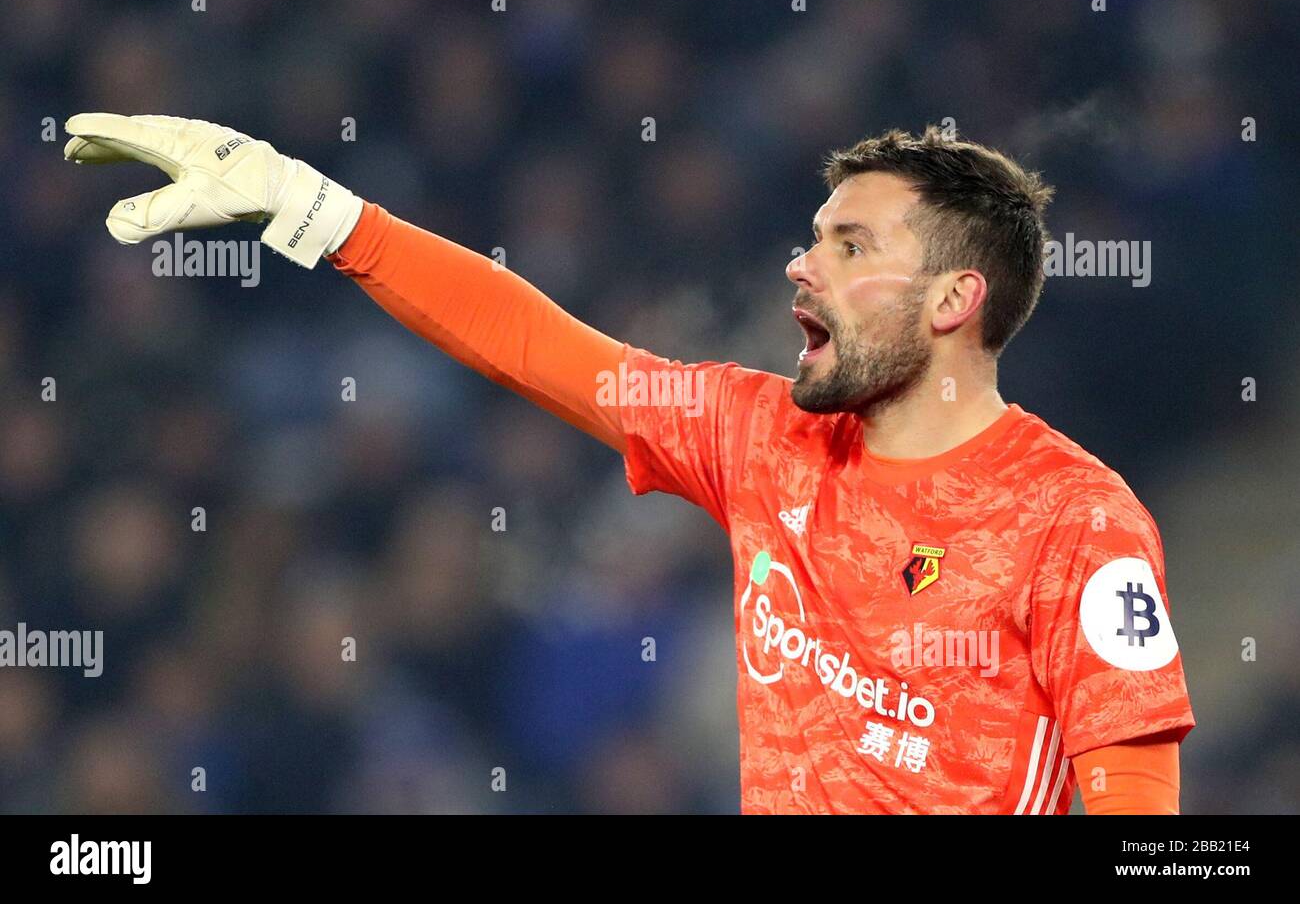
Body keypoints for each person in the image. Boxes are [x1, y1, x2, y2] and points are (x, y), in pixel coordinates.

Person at [64, 114, 1194, 814]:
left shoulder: (1071, 520)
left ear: (955, 300)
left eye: (849, 247)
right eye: (810, 235)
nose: (801, 265)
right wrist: (314, 210)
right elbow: (533, 342)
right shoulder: (761, 436)